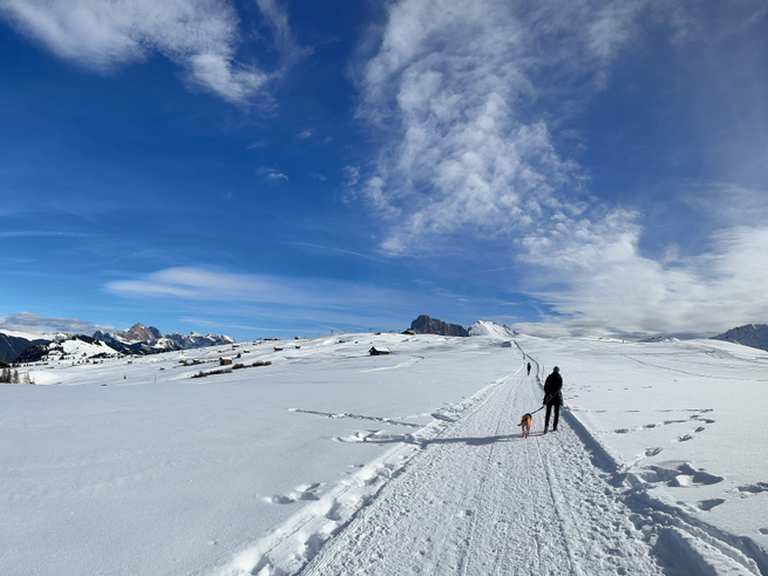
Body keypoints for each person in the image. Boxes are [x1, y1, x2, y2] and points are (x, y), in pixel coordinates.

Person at [543, 366, 563, 433]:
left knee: (548, 413)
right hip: (557, 398)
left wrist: (548, 394)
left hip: (549, 398)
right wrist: (553, 394)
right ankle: (554, 427)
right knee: (556, 414)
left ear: (553, 370)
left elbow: (545, 387)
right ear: (558, 371)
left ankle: (546, 427)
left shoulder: (549, 377)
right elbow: (559, 388)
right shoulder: (559, 378)